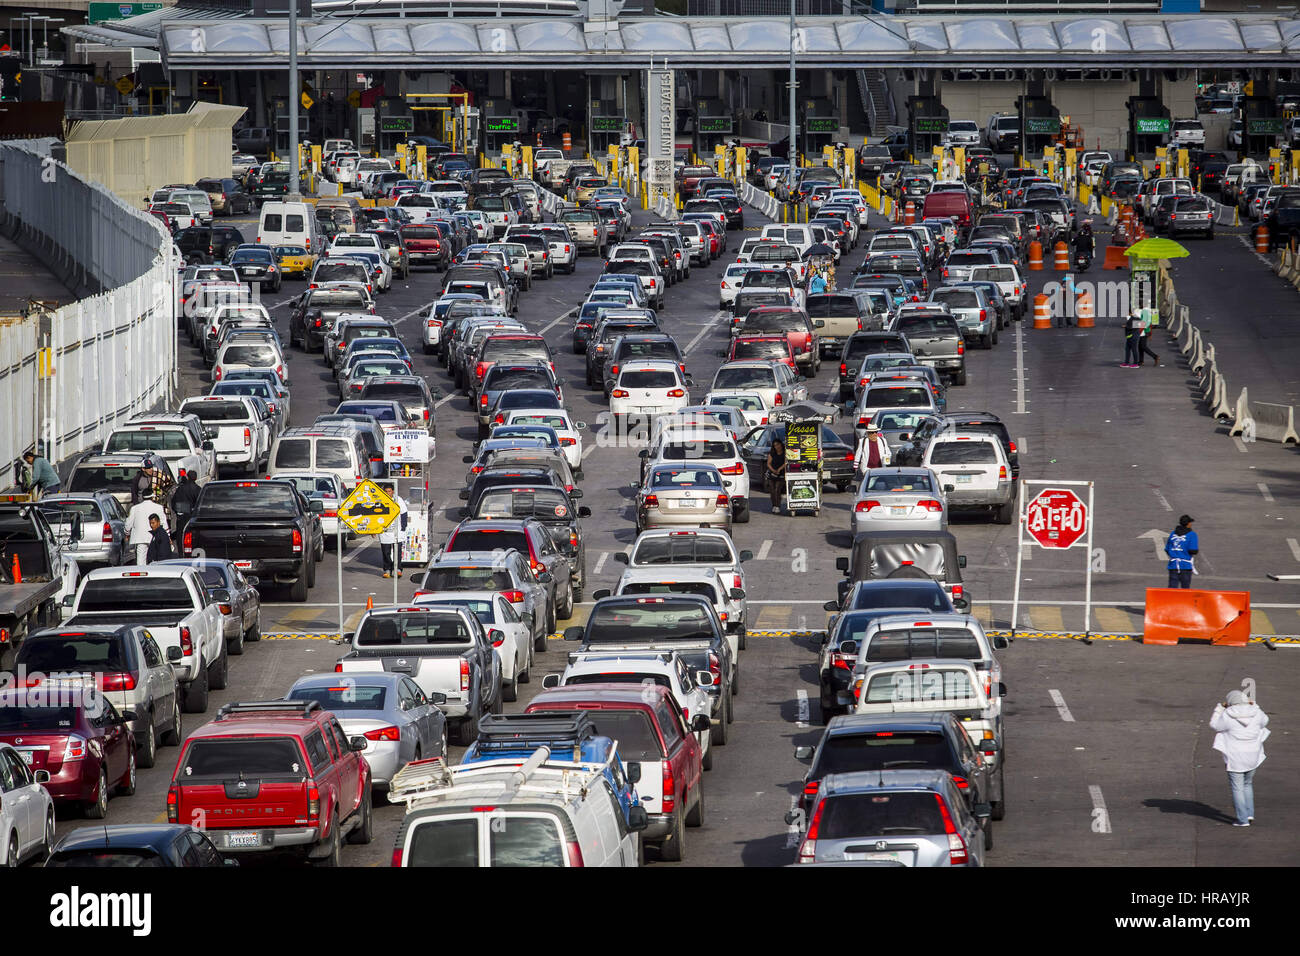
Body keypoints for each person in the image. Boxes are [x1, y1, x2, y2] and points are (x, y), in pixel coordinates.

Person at [1210, 690, 1269, 827]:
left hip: (1235, 757)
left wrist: (1219, 709)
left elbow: (1215, 725)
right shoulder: (1257, 713)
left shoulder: (1227, 715)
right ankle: (1249, 813)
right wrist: (1255, 705)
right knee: (1247, 784)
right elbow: (1265, 721)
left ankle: (1242, 820)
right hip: (1253, 755)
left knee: (1237, 788)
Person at [125, 492, 168, 566]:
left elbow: (128, 524)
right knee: (156, 559)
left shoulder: (135, 508)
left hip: (141, 538)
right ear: (152, 497)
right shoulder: (158, 507)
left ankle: (142, 576)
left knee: (141, 562)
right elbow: (164, 523)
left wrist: (127, 533)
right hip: (155, 538)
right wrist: (167, 536)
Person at [379, 482, 409, 579]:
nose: (388, 493)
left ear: (393, 492)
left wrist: (403, 527)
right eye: (386, 491)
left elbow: (404, 514)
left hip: (397, 531)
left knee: (397, 551)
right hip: (385, 532)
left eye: (389, 491)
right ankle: (387, 569)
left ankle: (398, 569)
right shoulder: (380, 500)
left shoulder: (398, 500)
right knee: (386, 551)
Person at [170, 472, 202, 550]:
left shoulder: (181, 489)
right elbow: (200, 504)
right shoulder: (198, 489)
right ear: (196, 478)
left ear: (187, 477)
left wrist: (178, 512)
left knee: (181, 537)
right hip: (193, 517)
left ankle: (182, 554)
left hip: (182, 516)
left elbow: (174, 502)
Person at [1165, 514, 1198, 588]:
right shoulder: (1192, 534)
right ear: (1188, 524)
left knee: (1172, 588)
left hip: (1173, 565)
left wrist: (1175, 553)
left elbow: (1167, 549)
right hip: (1185, 566)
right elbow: (1193, 550)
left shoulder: (1173, 534)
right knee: (1185, 589)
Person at [765, 439, 787, 514]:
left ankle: (778, 506)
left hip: (781, 474)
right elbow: (768, 463)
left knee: (778, 489)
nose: (777, 447)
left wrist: (779, 469)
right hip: (772, 474)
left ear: (781, 444)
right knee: (772, 490)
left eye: (778, 444)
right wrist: (773, 470)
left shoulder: (785, 453)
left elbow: (786, 462)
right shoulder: (772, 453)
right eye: (775, 445)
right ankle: (774, 505)